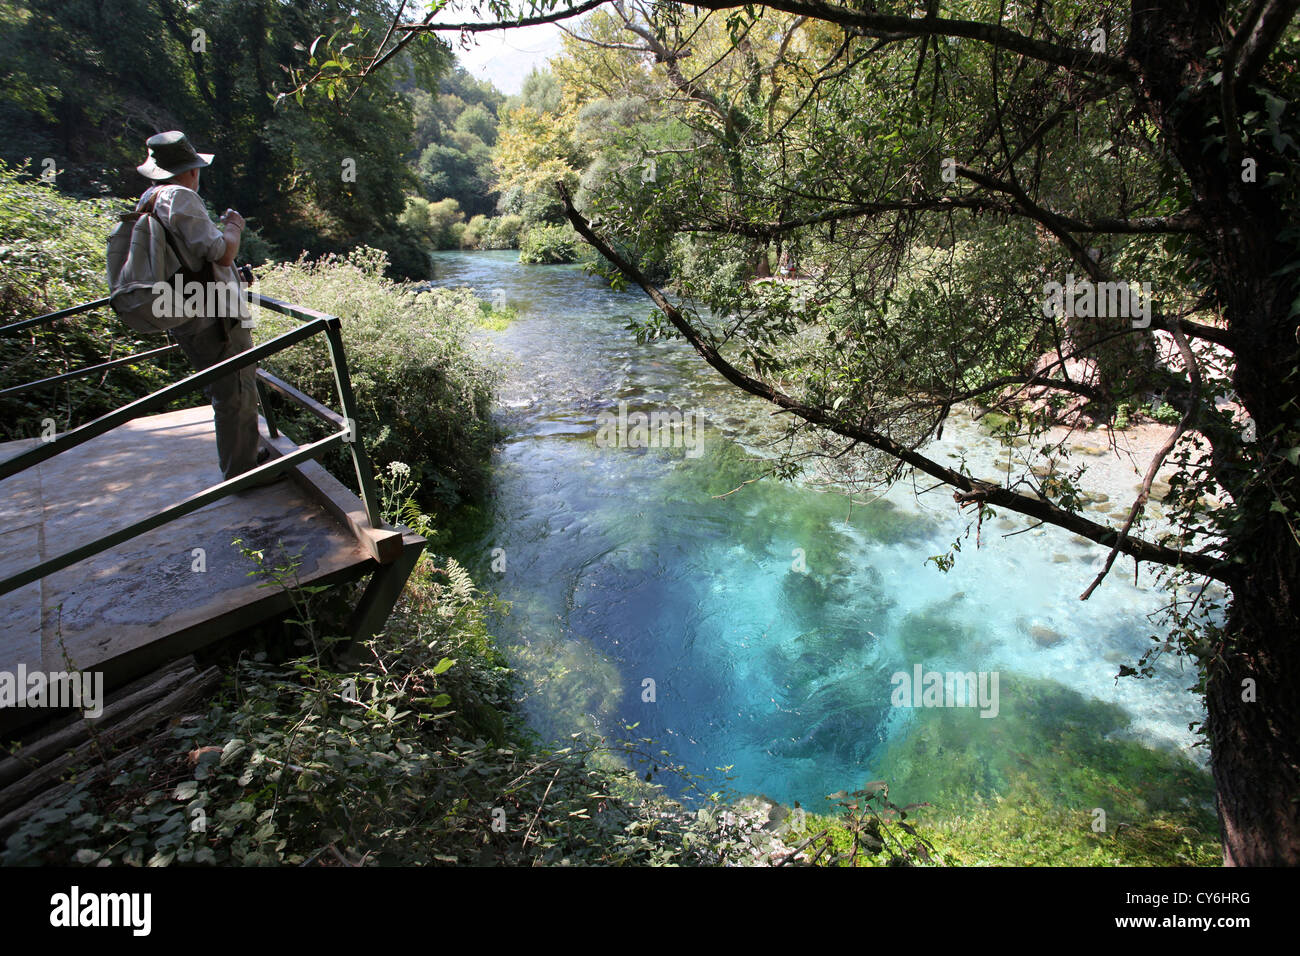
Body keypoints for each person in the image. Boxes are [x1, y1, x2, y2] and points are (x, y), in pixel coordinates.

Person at [133, 130, 271, 484]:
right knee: (235, 391)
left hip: (187, 314)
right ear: (191, 170)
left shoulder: (150, 199)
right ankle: (243, 473)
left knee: (225, 391)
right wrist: (233, 227)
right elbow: (222, 251)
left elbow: (191, 261)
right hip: (214, 318)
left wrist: (234, 278)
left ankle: (243, 458)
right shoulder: (180, 197)